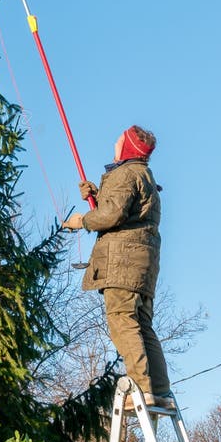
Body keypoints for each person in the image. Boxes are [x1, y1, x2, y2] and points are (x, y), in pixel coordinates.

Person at [64, 125, 175, 410]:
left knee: (123, 320)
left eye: (119, 139)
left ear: (127, 147)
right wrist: (98, 195)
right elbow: (125, 209)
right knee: (143, 325)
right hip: (144, 266)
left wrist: (83, 221)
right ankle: (160, 390)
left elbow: (112, 215)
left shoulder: (125, 174)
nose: (114, 142)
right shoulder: (143, 176)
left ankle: (141, 387)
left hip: (122, 264)